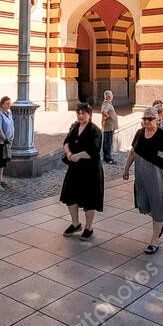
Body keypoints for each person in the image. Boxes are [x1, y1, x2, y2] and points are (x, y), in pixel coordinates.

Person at [122, 107, 163, 254]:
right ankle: (160, 221)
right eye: (144, 119)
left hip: (159, 176)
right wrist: (126, 169)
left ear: (157, 120)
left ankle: (154, 240)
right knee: (144, 204)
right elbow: (132, 152)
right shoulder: (139, 133)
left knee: (158, 205)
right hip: (142, 177)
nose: (147, 121)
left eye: (150, 119)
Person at [60, 103, 104, 241]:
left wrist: (77, 156)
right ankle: (75, 223)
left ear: (89, 115)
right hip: (75, 168)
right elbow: (66, 141)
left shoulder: (95, 130)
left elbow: (94, 151)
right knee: (70, 195)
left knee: (89, 198)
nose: (80, 116)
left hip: (90, 170)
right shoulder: (75, 128)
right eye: (78, 113)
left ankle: (88, 227)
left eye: (83, 113)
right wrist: (68, 153)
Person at [0, 96, 14, 190]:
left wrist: (10, 139)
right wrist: (5, 139)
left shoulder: (8, 113)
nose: (9, 105)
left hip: (6, 142)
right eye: (7, 103)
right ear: (2, 104)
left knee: (3, 162)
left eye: (9, 103)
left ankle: (0, 180)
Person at [100, 90, 119, 164]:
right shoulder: (107, 104)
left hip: (109, 126)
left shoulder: (107, 103)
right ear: (109, 97)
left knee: (107, 141)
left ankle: (106, 157)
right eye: (111, 95)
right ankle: (108, 158)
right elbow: (103, 111)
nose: (112, 96)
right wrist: (108, 116)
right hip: (109, 126)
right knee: (108, 142)